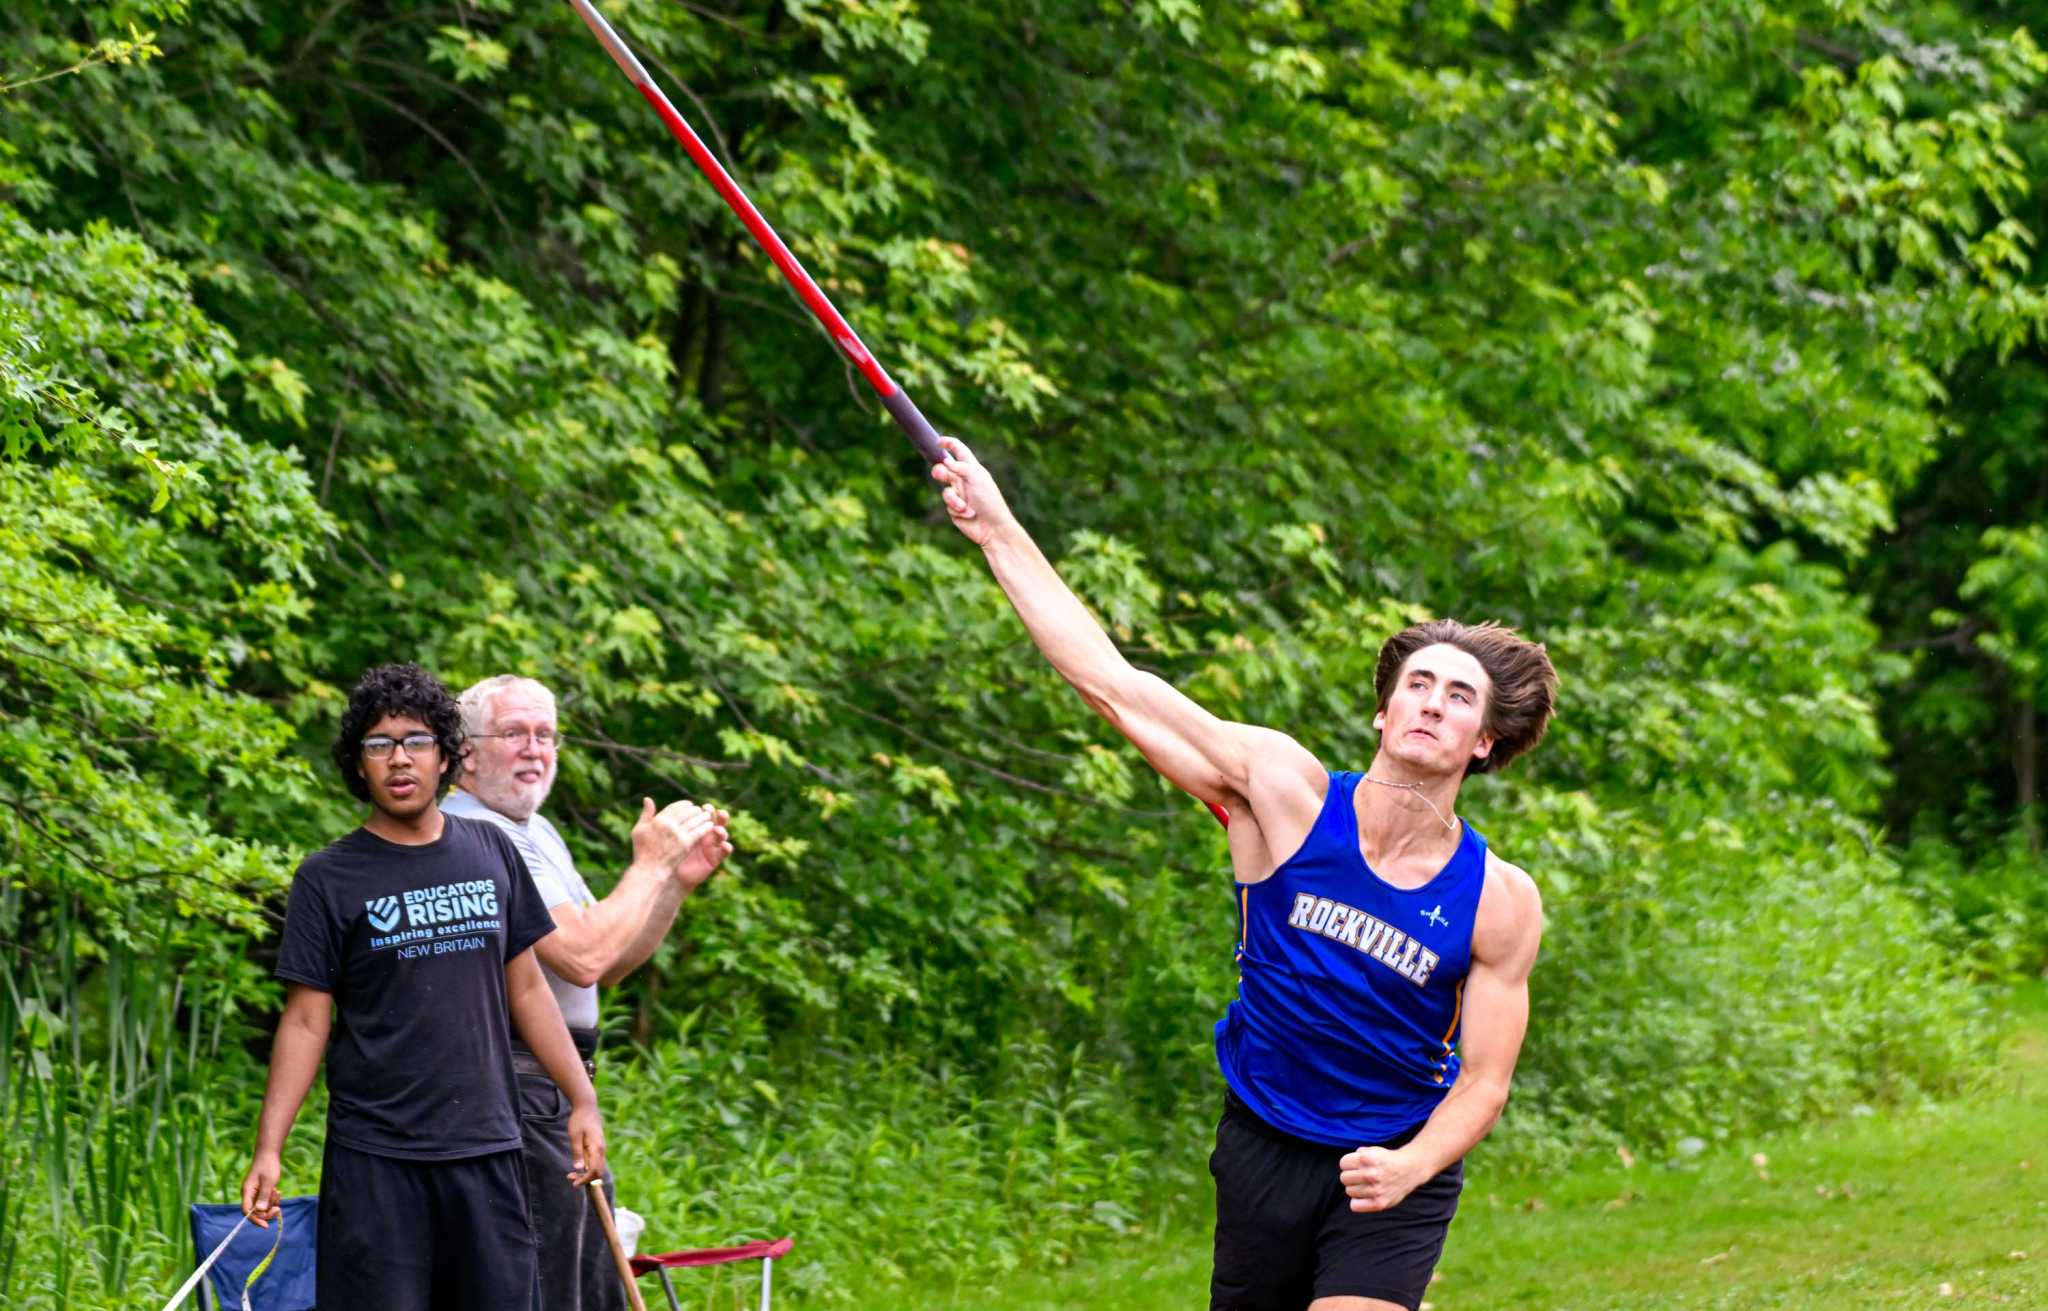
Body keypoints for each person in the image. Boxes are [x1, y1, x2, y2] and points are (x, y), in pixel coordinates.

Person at [931, 439, 1557, 1311]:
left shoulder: (1499, 898)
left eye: (1459, 697)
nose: (1432, 703)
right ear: (1383, 710)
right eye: (1418, 684)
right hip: (1263, 1139)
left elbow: (1486, 1079)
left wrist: (1413, 1163)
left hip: (1391, 1161)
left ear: (1483, 742)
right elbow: (1114, 683)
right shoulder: (1286, 795)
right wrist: (998, 528)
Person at [240, 663, 608, 1311]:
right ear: (359, 766)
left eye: (416, 740)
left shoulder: (492, 851)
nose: (399, 758)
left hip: (491, 1149)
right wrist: (269, 1147)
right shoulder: (327, 878)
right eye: (379, 745)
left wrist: (581, 1098)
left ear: (447, 756)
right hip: (376, 1161)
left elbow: (526, 990)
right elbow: (304, 1022)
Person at [443, 673, 731, 1311]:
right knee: (545, 1289)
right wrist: (648, 866)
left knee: (586, 1286)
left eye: (545, 735)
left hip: (556, 1093)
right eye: (514, 733)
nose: (534, 748)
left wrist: (673, 884)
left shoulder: (534, 831)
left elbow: (610, 964)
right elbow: (581, 954)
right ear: (465, 752)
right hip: (512, 1094)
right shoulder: (474, 833)